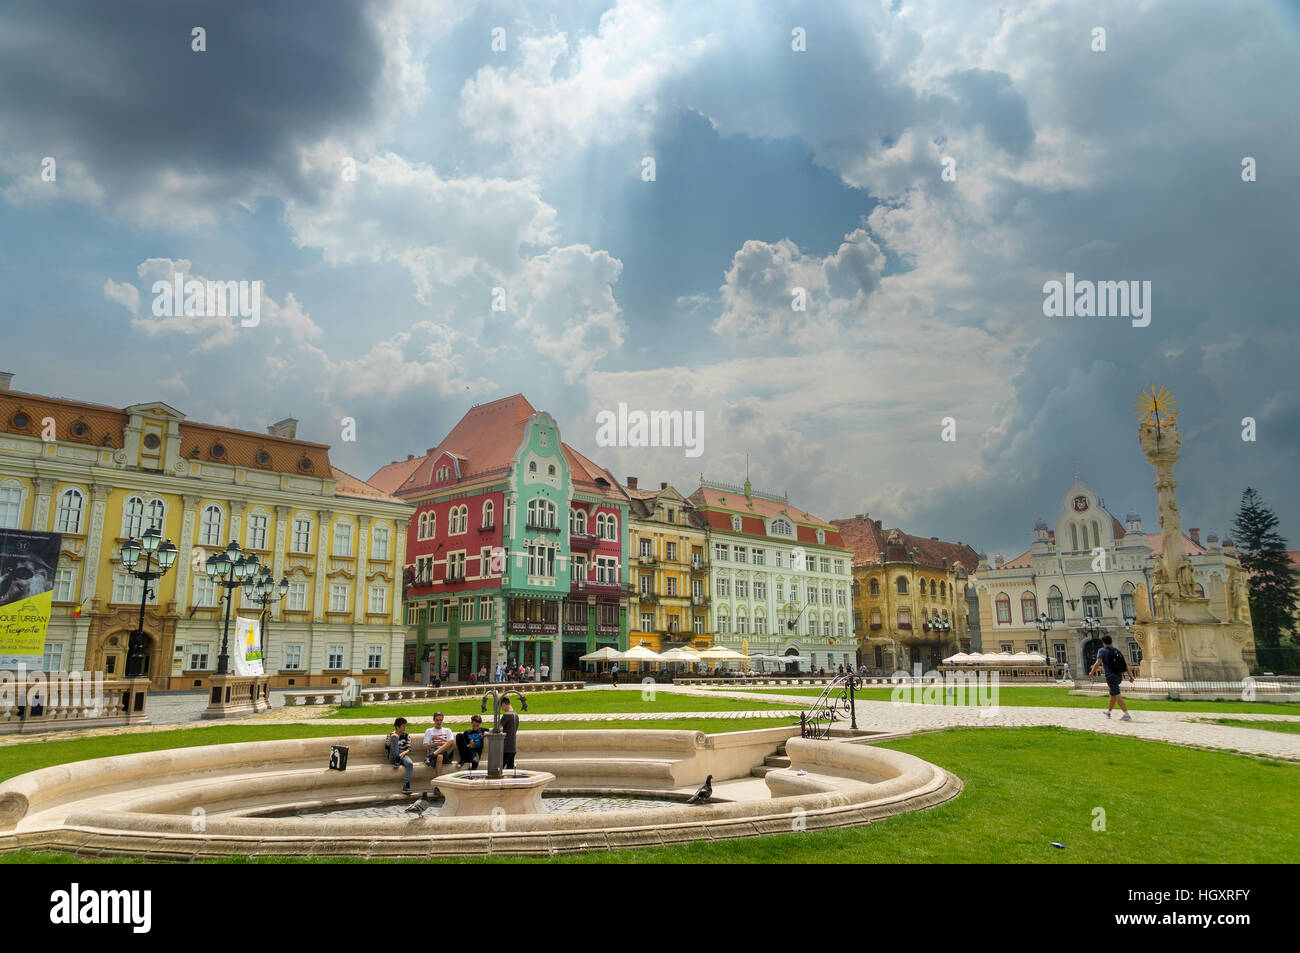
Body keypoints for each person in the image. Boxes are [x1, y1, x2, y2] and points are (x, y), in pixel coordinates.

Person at [1089, 635, 1135, 720]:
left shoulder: (1102, 651)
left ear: (1103, 642)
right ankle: (1109, 712)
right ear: (1111, 642)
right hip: (1118, 676)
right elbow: (1125, 665)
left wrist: (1092, 672)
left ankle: (1126, 714)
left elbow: (1097, 663)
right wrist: (1131, 676)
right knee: (1112, 694)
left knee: (1117, 694)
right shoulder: (1116, 650)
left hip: (1110, 676)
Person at [422, 712, 456, 777]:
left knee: (451, 741)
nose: (439, 722)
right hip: (435, 754)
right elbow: (425, 746)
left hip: (446, 753)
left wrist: (440, 738)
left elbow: (451, 742)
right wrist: (440, 743)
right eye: (437, 720)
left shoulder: (447, 730)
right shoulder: (429, 731)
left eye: (440, 720)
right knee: (440, 756)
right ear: (433, 720)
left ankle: (431, 756)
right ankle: (438, 783)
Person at [385, 717, 414, 793]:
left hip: (402, 754)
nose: (405, 727)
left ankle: (406, 786)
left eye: (405, 726)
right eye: (403, 726)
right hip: (393, 755)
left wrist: (403, 753)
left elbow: (409, 748)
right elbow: (387, 746)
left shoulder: (406, 735)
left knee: (410, 764)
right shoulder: (390, 735)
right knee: (395, 737)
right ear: (397, 727)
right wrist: (392, 737)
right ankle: (397, 759)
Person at [499, 697, 520, 771]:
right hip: (513, 748)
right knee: (510, 771)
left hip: (506, 747)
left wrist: (487, 732)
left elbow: (497, 728)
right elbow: (511, 729)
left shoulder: (507, 715)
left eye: (501, 707)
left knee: (498, 770)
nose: (502, 709)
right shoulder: (516, 715)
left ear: (504, 704)